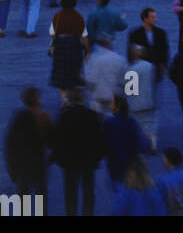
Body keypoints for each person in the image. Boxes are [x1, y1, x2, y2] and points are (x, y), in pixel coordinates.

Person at [51, 85, 102, 215]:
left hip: (70, 161)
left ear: (70, 99)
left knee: (70, 193)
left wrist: (57, 158)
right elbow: (99, 138)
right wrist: (97, 157)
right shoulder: (92, 115)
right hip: (88, 160)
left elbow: (58, 140)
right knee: (88, 192)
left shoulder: (64, 116)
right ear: (83, 99)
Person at [4, 87, 52, 198]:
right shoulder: (44, 116)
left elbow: (10, 145)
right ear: (37, 99)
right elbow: (52, 141)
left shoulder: (17, 118)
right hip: (38, 162)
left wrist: (11, 168)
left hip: (22, 163)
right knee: (40, 194)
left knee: (23, 195)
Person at [102, 94, 150, 191]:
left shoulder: (109, 122)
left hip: (115, 164)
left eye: (112, 103)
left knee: (119, 191)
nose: (110, 105)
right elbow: (143, 142)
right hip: (130, 162)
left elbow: (104, 143)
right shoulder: (131, 121)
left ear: (117, 106)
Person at [49, 0, 88, 99]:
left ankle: (64, 98)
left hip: (60, 47)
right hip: (74, 47)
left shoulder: (57, 16)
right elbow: (84, 36)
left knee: (61, 75)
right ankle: (71, 96)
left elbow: (52, 33)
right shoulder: (78, 16)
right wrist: (87, 51)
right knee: (73, 72)